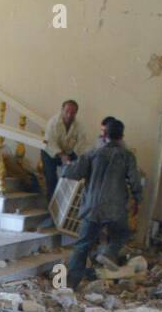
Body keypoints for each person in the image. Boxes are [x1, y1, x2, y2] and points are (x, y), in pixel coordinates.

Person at [61, 117, 144, 288]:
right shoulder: (127, 156)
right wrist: (137, 199)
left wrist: (66, 163)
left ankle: (71, 284)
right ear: (121, 136)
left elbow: (71, 173)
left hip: (91, 208)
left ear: (104, 135)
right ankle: (108, 252)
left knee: (82, 245)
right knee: (121, 234)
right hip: (115, 208)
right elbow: (135, 181)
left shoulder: (92, 154)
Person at [42, 99, 85, 199]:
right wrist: (62, 155)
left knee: (73, 175)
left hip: (68, 152)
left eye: (73, 112)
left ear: (76, 113)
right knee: (51, 178)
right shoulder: (53, 122)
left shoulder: (79, 126)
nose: (69, 115)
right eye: (67, 111)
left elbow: (81, 143)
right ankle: (51, 204)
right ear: (62, 110)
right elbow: (50, 142)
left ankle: (67, 201)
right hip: (50, 152)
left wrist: (77, 159)